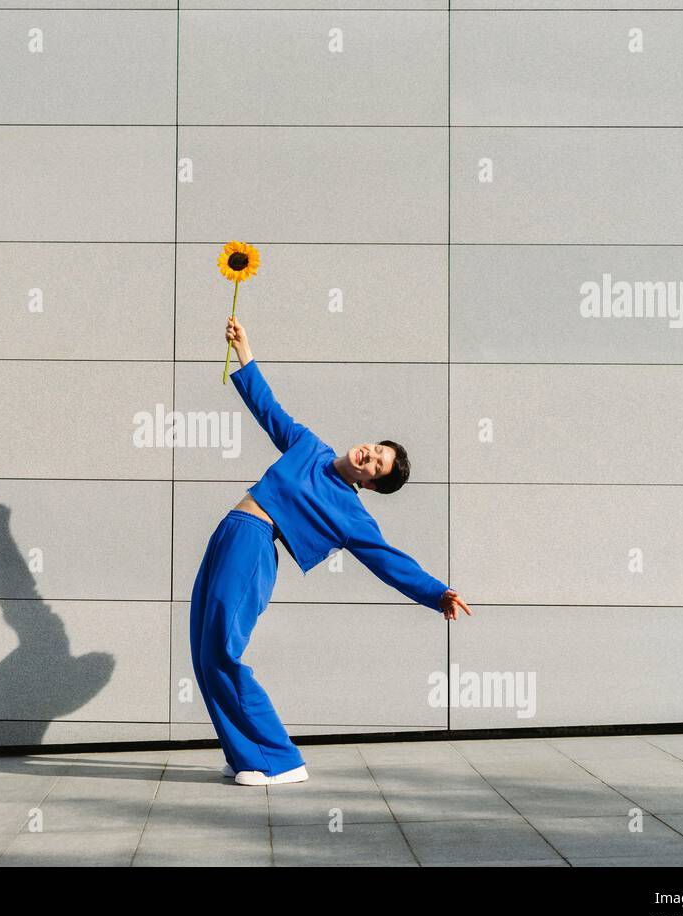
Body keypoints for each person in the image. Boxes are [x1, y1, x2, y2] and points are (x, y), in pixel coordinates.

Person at [190, 316, 473, 786]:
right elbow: (268, 408)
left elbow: (388, 560)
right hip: (229, 532)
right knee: (203, 650)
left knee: (221, 648)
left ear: (370, 484)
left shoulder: (350, 513)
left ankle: (278, 759)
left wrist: (436, 592)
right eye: (376, 449)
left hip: (254, 545)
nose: (369, 455)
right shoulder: (309, 447)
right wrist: (245, 349)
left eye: (377, 466)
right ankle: (245, 753)